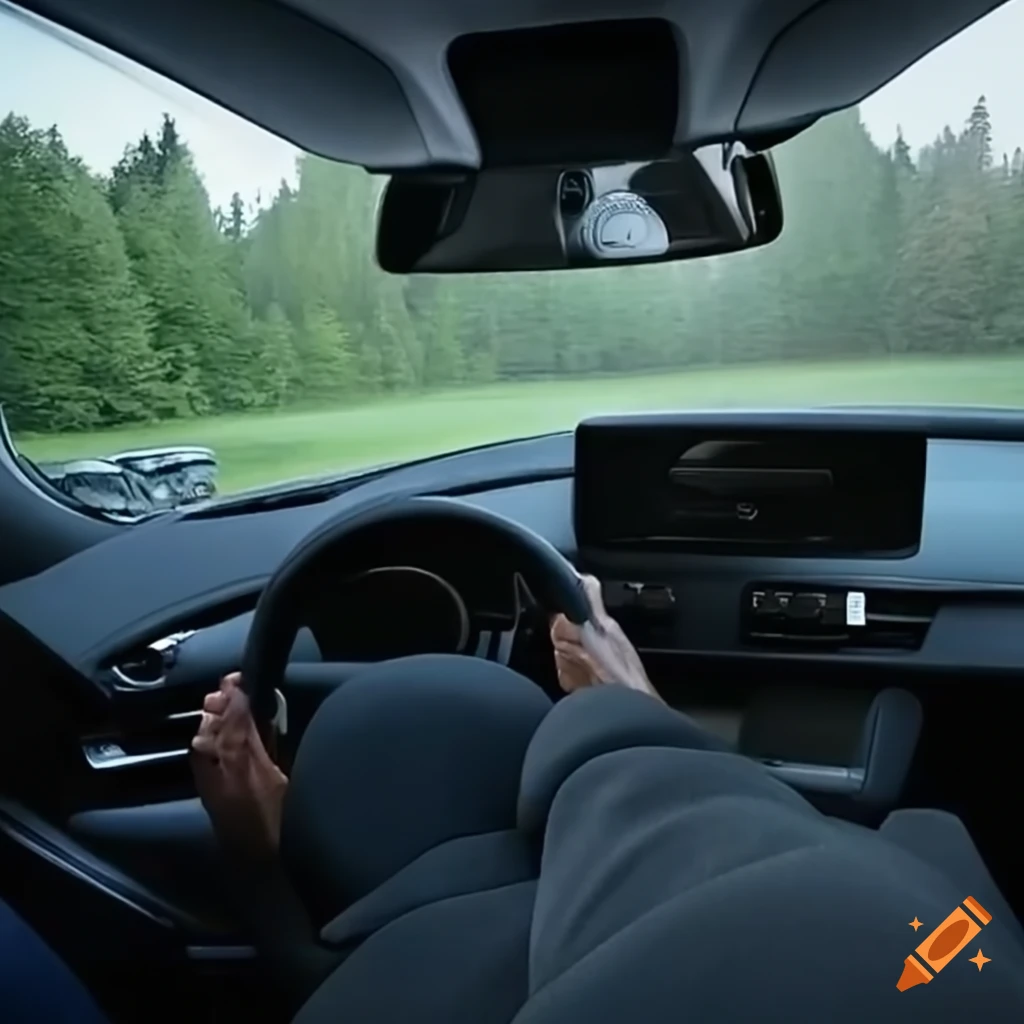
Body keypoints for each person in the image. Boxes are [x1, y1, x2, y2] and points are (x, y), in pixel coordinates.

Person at [191, 576, 1024, 1022]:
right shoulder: (946, 919)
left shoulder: (382, 989)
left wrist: (260, 872)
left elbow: (318, 984)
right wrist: (622, 723)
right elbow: (771, 868)